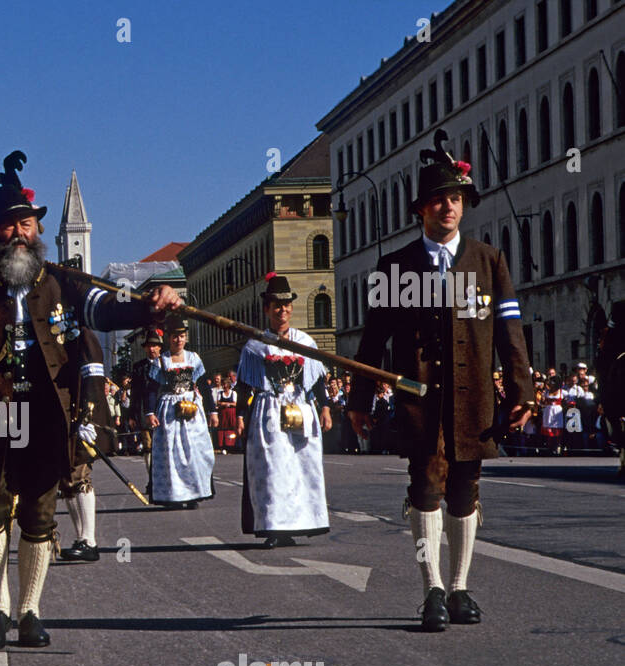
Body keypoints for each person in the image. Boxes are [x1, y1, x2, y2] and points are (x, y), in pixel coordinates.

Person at [0, 150, 175, 651]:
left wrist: (148, 309)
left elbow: (105, 310)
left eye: (26, 224)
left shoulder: (62, 281)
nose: (19, 234)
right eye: (9, 227)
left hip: (44, 417)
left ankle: (29, 613)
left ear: (37, 232)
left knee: (39, 517)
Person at [349, 135, 534, 631]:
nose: (449, 207)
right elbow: (373, 341)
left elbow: (509, 332)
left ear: (464, 205)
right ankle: (430, 587)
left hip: (473, 396)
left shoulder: (489, 262)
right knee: (425, 485)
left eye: (456, 199)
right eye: (439, 199)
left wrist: (523, 390)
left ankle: (460, 589)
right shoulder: (395, 268)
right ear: (422, 210)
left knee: (465, 489)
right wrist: (359, 398)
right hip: (418, 398)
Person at [236, 273, 332, 548]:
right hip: (269, 411)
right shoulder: (255, 346)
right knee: (273, 468)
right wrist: (241, 417)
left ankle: (299, 523)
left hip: (301, 407)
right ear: (267, 309)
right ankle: (274, 526)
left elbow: (317, 381)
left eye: (286, 305)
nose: (282, 310)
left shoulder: (305, 342)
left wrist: (324, 408)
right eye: (276, 305)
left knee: (301, 467)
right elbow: (245, 386)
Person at [146, 318, 218, 508]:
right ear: (169, 338)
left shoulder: (193, 358)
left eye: (182, 336)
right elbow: (152, 389)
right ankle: (173, 495)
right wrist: (149, 413)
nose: (179, 340)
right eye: (175, 336)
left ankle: (194, 493)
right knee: (172, 452)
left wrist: (212, 411)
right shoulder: (161, 361)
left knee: (194, 450)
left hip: (192, 407)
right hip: (169, 409)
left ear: (186, 338)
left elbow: (204, 385)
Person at [57, 327, 111, 562]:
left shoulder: (84, 337)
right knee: (67, 480)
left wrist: (89, 420)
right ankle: (81, 538)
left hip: (80, 418)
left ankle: (90, 540)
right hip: (62, 418)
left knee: (79, 475)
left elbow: (94, 383)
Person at [130, 328, 164, 488]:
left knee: (164, 445)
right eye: (149, 345)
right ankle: (152, 480)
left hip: (164, 409)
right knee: (148, 447)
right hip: (144, 411)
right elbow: (135, 392)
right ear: (145, 348)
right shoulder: (139, 367)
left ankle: (165, 480)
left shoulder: (167, 363)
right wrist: (132, 414)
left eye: (155, 345)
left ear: (160, 347)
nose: (152, 348)